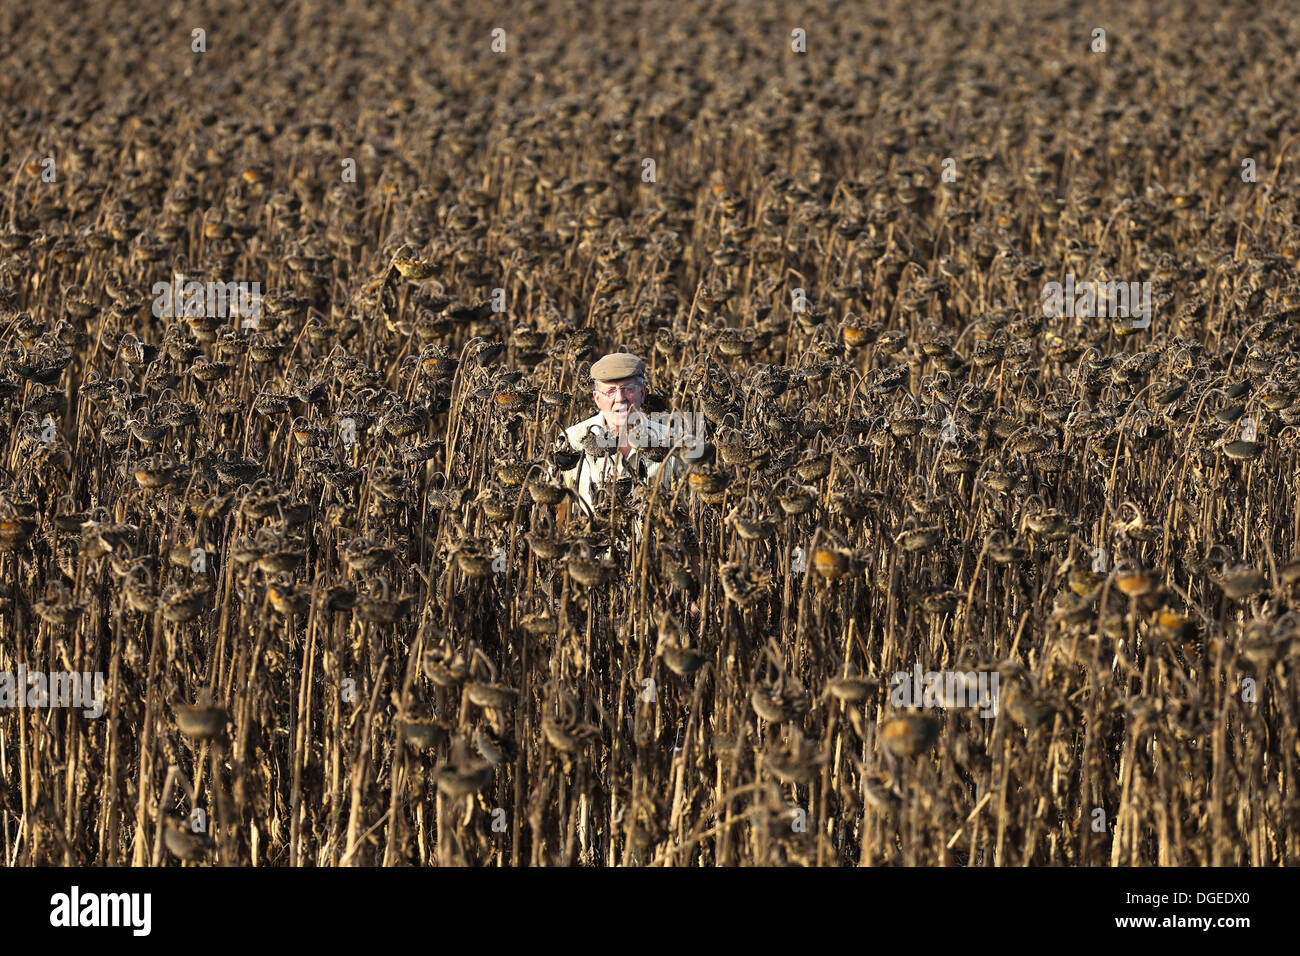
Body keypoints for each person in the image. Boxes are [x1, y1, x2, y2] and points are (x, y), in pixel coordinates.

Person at [557, 351, 689, 526]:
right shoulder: (572, 440)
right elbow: (558, 511)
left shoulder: (670, 440)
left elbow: (686, 512)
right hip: (592, 550)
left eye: (628, 389)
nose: (620, 398)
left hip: (654, 550)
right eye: (610, 391)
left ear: (642, 393)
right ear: (597, 398)